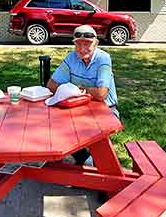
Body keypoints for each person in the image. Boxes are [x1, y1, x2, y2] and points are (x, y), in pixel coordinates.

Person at [47, 24, 119, 164]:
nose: (82, 49)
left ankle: (97, 165)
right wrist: (75, 91)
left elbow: (101, 93)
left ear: (96, 43)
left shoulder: (103, 59)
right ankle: (84, 161)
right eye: (78, 44)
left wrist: (77, 88)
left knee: (91, 130)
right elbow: (51, 85)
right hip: (79, 108)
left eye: (87, 44)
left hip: (106, 110)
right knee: (54, 123)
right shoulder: (71, 57)